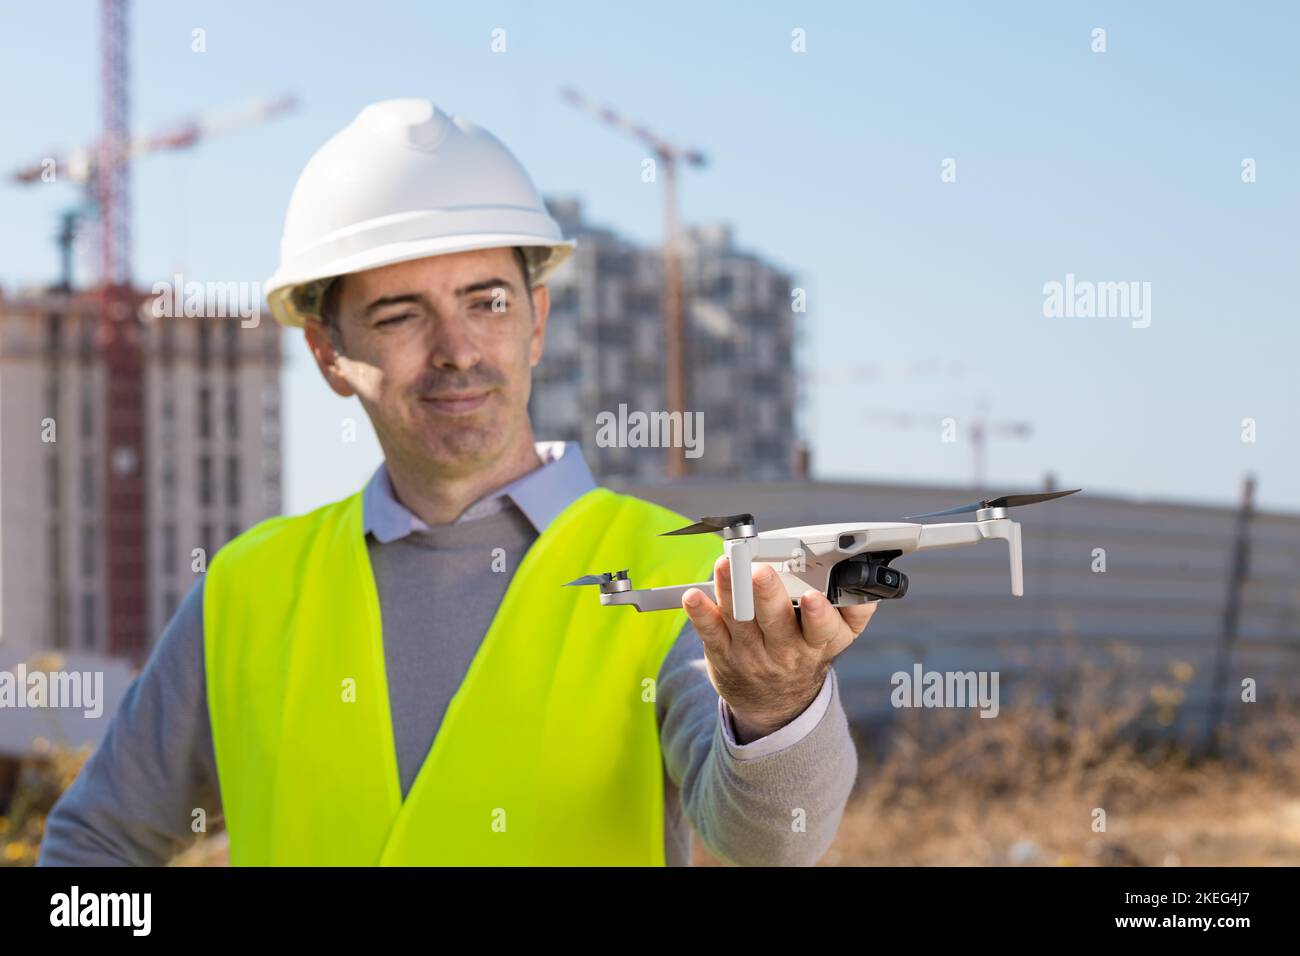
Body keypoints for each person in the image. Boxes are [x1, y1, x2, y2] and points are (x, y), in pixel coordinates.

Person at [38, 98, 875, 866]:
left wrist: (777, 706)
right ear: (328, 354)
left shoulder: (668, 569)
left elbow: (771, 844)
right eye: (400, 314)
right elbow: (96, 843)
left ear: (537, 321)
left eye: (488, 303)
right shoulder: (246, 590)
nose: (457, 349)